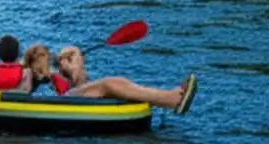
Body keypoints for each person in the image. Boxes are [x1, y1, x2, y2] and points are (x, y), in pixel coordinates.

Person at [54, 45, 197, 114]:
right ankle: (170, 100)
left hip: (73, 98)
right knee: (108, 84)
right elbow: (66, 91)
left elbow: (80, 85)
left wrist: (76, 67)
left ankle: (166, 97)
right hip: (63, 101)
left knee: (117, 82)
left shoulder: (76, 78)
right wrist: (70, 68)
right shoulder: (53, 73)